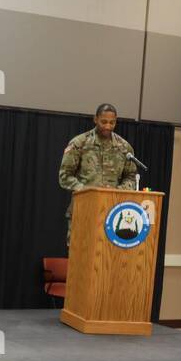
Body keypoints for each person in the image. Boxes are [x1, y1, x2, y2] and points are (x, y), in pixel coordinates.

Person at [58, 103, 138, 251]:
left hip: (112, 213)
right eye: (104, 122)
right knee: (80, 254)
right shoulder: (80, 143)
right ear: (95, 119)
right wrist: (87, 191)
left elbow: (131, 176)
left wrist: (118, 191)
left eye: (112, 122)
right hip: (84, 211)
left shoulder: (124, 147)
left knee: (107, 259)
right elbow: (64, 176)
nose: (108, 126)